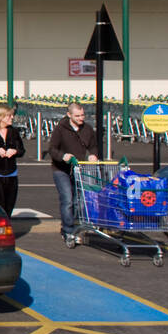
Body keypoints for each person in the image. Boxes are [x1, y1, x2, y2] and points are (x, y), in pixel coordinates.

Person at [48, 102, 100, 243]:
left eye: (82, 115)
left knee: (79, 201)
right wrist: (63, 156)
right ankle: (68, 229)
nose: (81, 118)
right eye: (77, 116)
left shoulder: (87, 129)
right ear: (69, 115)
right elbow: (52, 149)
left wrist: (93, 154)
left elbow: (94, 146)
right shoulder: (60, 129)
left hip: (79, 169)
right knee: (68, 200)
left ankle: (75, 226)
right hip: (61, 169)